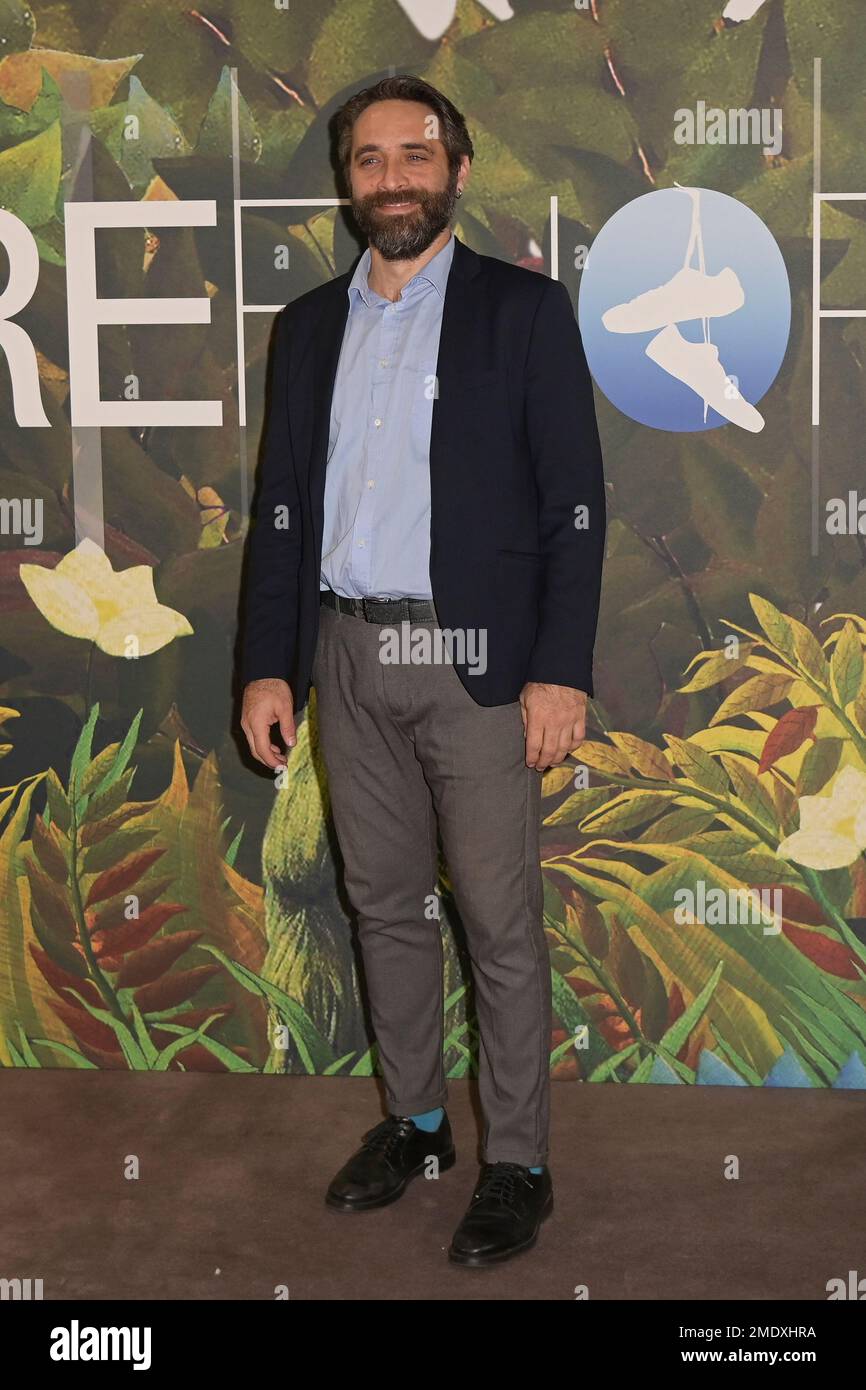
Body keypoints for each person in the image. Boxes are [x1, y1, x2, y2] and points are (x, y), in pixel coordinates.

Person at [239, 75, 606, 1267]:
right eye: (367, 159)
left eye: (415, 153)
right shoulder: (304, 329)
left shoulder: (524, 312)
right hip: (347, 651)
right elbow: (281, 511)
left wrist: (558, 671)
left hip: (473, 656)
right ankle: (415, 1124)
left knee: (498, 919)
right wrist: (266, 663)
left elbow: (575, 507)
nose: (392, 177)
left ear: (455, 165)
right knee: (380, 905)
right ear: (345, 181)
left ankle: (518, 1165)